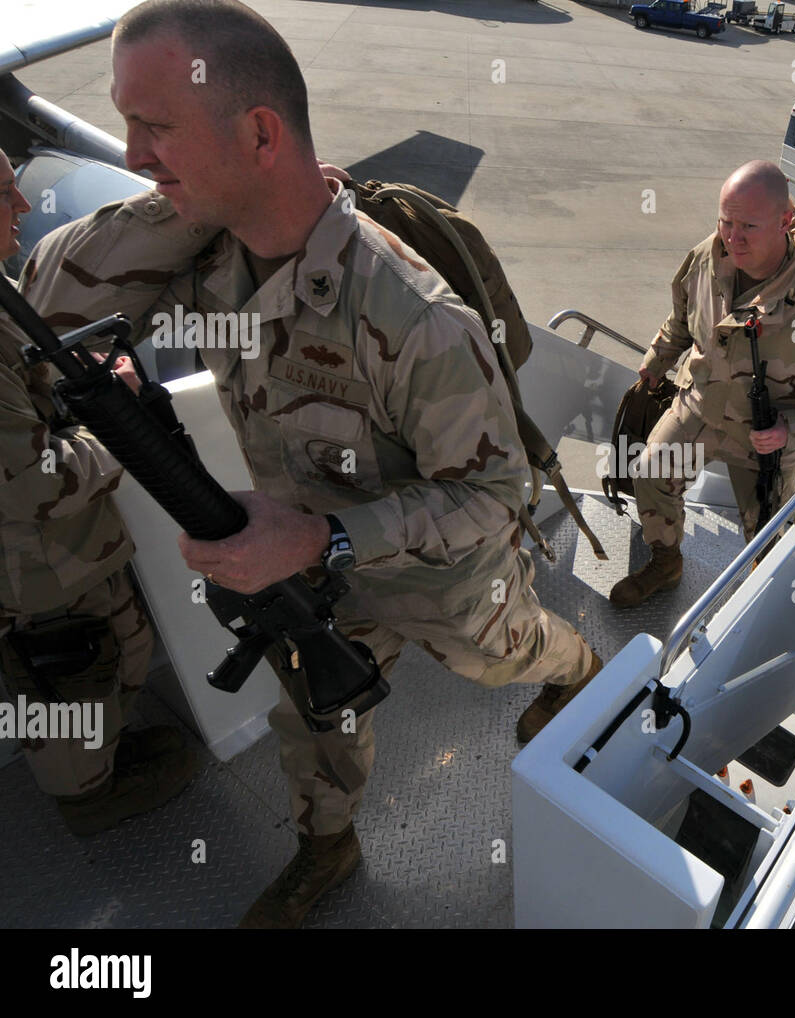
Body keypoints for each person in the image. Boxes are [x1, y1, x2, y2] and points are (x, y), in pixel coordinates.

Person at [23, 0, 600, 928]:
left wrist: (324, 535)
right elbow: (47, 302)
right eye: (127, 125)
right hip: (308, 579)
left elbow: (495, 497)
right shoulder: (210, 263)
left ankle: (580, 671)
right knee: (314, 719)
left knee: (510, 654)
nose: (132, 155)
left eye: (155, 126)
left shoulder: (414, 317)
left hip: (441, 579)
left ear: (260, 132)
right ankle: (326, 847)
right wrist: (207, 196)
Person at [0, 148, 197, 836]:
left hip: (66, 551)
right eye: (3, 194)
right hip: (40, 565)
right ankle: (86, 798)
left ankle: (102, 754)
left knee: (118, 647)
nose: (25, 206)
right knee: (70, 675)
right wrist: (118, 421)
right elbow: (34, 484)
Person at [608, 160, 795, 607]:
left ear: (785, 222)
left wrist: (792, 428)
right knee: (650, 471)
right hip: (701, 407)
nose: (733, 237)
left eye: (749, 226)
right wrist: (658, 359)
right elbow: (682, 318)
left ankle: (760, 599)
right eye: (725, 221)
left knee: (768, 539)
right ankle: (666, 562)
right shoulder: (706, 258)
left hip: (767, 437)